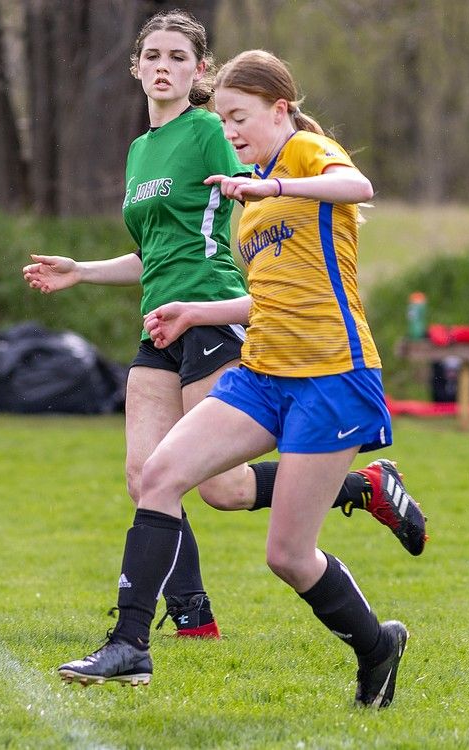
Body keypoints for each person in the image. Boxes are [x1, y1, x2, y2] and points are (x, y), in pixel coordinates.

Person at [23, 10, 425, 640]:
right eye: (152, 56)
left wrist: (271, 192)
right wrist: (83, 271)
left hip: (214, 311)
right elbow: (157, 252)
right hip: (163, 319)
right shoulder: (139, 151)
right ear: (135, 67)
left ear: (201, 72)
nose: (163, 67)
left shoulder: (213, 130)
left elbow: (290, 195)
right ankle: (189, 616)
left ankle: (357, 487)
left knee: (225, 489)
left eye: (178, 57)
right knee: (146, 476)